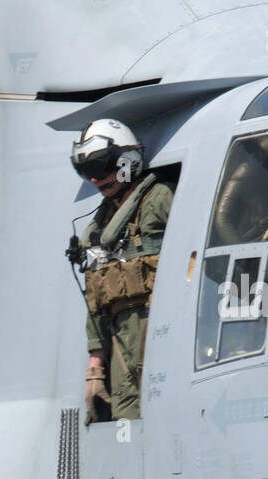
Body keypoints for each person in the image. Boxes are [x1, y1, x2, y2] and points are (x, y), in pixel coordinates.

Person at [70, 118, 174, 424]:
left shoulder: (160, 200)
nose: (94, 179)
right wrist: (94, 369)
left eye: (101, 167)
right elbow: (95, 302)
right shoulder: (99, 229)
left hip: (163, 336)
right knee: (126, 426)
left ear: (126, 160)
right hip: (121, 346)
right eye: (86, 171)